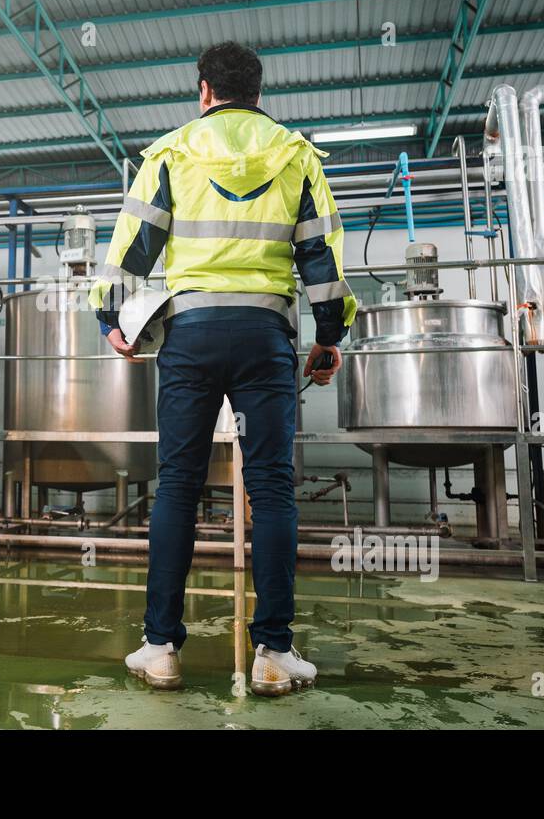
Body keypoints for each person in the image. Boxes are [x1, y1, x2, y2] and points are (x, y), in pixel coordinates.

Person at [88, 41, 356, 696]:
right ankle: (273, 653)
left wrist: (110, 318)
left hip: (191, 337)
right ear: (258, 93)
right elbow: (321, 258)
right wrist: (328, 336)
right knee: (272, 490)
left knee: (178, 486)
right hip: (266, 336)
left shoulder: (170, 153)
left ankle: (160, 648)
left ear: (204, 90)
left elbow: (132, 246)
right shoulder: (295, 155)